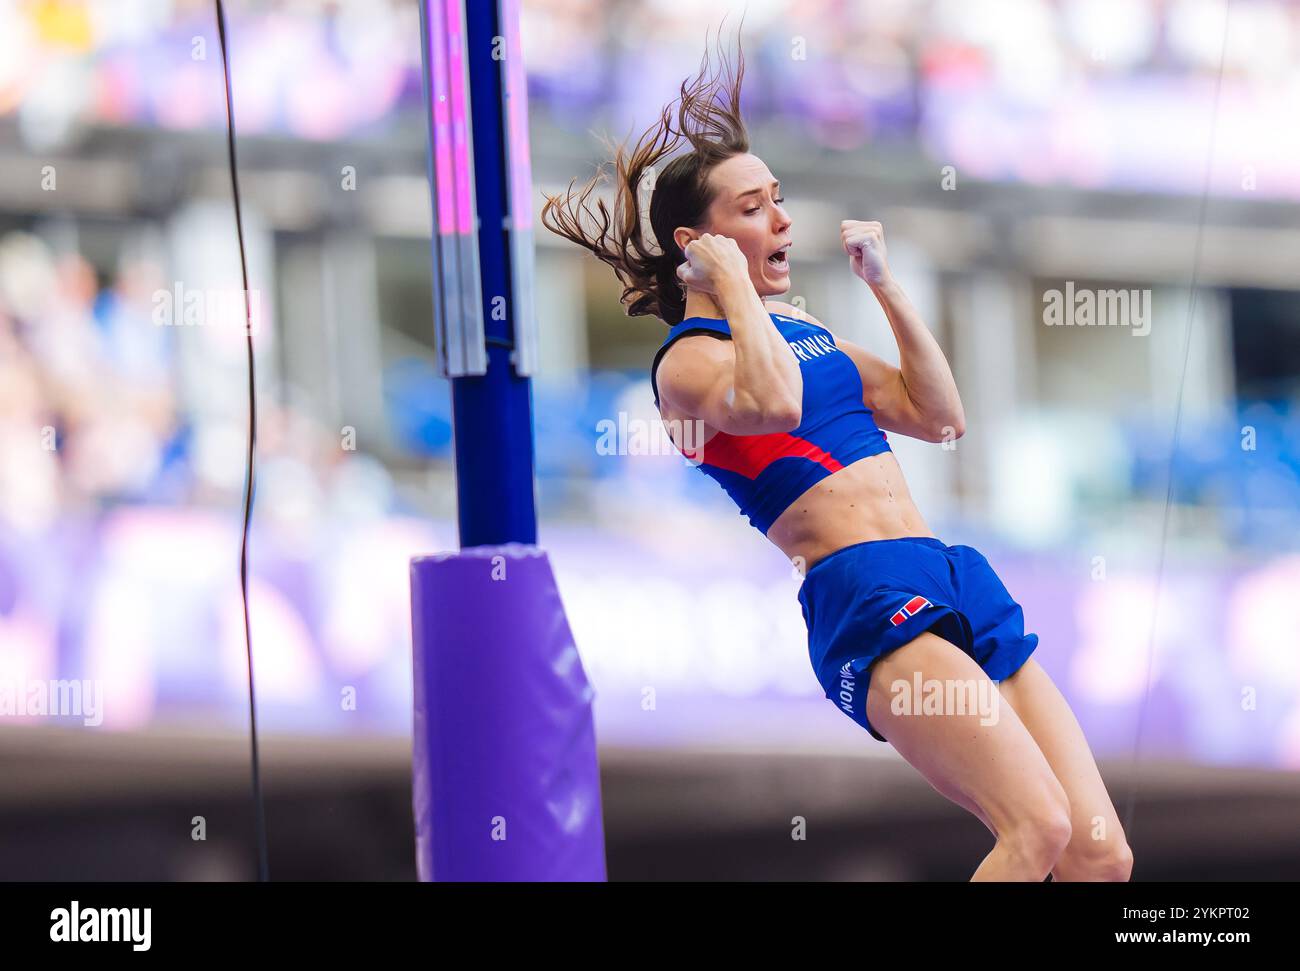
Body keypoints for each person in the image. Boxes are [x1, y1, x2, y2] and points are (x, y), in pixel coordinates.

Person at [541, 32, 1132, 882]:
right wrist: (731, 286)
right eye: (752, 208)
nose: (782, 220)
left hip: (948, 569)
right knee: (1033, 826)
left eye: (778, 198)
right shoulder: (688, 361)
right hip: (867, 594)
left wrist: (886, 289)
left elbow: (940, 415)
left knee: (1100, 857)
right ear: (695, 242)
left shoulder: (805, 333)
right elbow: (771, 401)